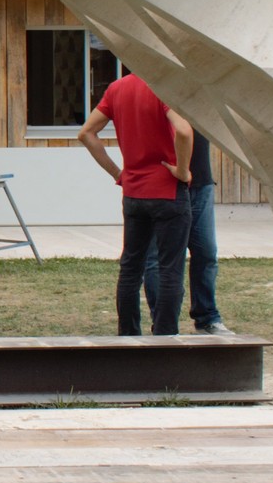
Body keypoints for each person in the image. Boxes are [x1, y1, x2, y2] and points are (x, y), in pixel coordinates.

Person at [78, 72, 193, 336]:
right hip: (167, 192)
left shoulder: (117, 88)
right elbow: (185, 131)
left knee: (131, 267)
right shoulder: (164, 85)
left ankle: (128, 336)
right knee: (170, 269)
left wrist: (118, 173)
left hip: (134, 194)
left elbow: (85, 133)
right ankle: (165, 337)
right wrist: (183, 171)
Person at [143, 128, 232, 335]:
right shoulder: (156, 98)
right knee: (157, 258)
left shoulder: (200, 99)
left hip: (200, 182)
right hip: (162, 184)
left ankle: (207, 317)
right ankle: (163, 321)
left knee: (206, 252)